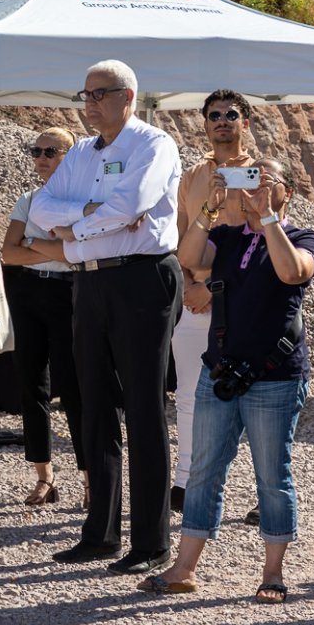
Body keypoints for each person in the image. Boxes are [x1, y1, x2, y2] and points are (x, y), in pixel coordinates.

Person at [138, 158, 314, 604]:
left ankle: (272, 573)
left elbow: (291, 272)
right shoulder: (226, 236)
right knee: (202, 471)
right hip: (221, 370)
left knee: (272, 476)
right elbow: (188, 258)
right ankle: (183, 569)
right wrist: (210, 209)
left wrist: (267, 217)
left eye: (264, 180)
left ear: (287, 192)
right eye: (248, 179)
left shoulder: (301, 237)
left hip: (275, 376)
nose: (252, 187)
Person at [30, 59, 183, 575]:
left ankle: (152, 542)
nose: (91, 103)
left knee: (142, 406)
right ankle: (100, 533)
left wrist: (77, 224)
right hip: (90, 280)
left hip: (141, 278)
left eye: (101, 93)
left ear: (129, 95)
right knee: (92, 404)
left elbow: (135, 202)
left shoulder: (153, 145)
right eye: (86, 94)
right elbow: (41, 211)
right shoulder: (78, 153)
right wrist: (87, 221)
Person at [171, 90, 255, 514]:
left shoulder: (262, 174)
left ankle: (264, 493)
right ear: (204, 124)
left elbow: (259, 247)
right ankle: (185, 483)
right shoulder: (191, 177)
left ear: (245, 122)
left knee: (253, 399)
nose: (222, 120)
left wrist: (214, 289)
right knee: (188, 396)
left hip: (241, 303)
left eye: (231, 114)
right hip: (193, 299)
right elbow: (181, 234)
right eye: (214, 115)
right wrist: (189, 284)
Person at [0, 127, 86, 508]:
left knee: (75, 388)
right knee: (30, 383)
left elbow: (80, 254)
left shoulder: (87, 201)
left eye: (50, 150)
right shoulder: (29, 199)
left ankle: (90, 477)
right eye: (35, 150)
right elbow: (8, 253)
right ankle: (44, 477)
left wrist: (33, 245)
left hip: (70, 293)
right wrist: (53, 249)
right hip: (30, 291)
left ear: (71, 155)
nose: (41, 157)